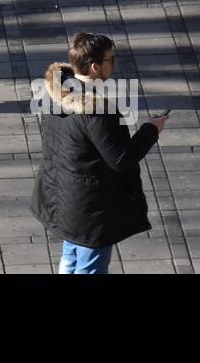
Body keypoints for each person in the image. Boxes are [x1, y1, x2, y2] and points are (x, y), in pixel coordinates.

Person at [29, 32, 169, 274]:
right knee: (89, 267)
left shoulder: (57, 93)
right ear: (95, 67)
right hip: (89, 209)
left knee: (71, 258)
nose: (114, 65)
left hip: (62, 197)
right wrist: (150, 130)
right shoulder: (96, 111)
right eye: (111, 60)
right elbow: (120, 160)